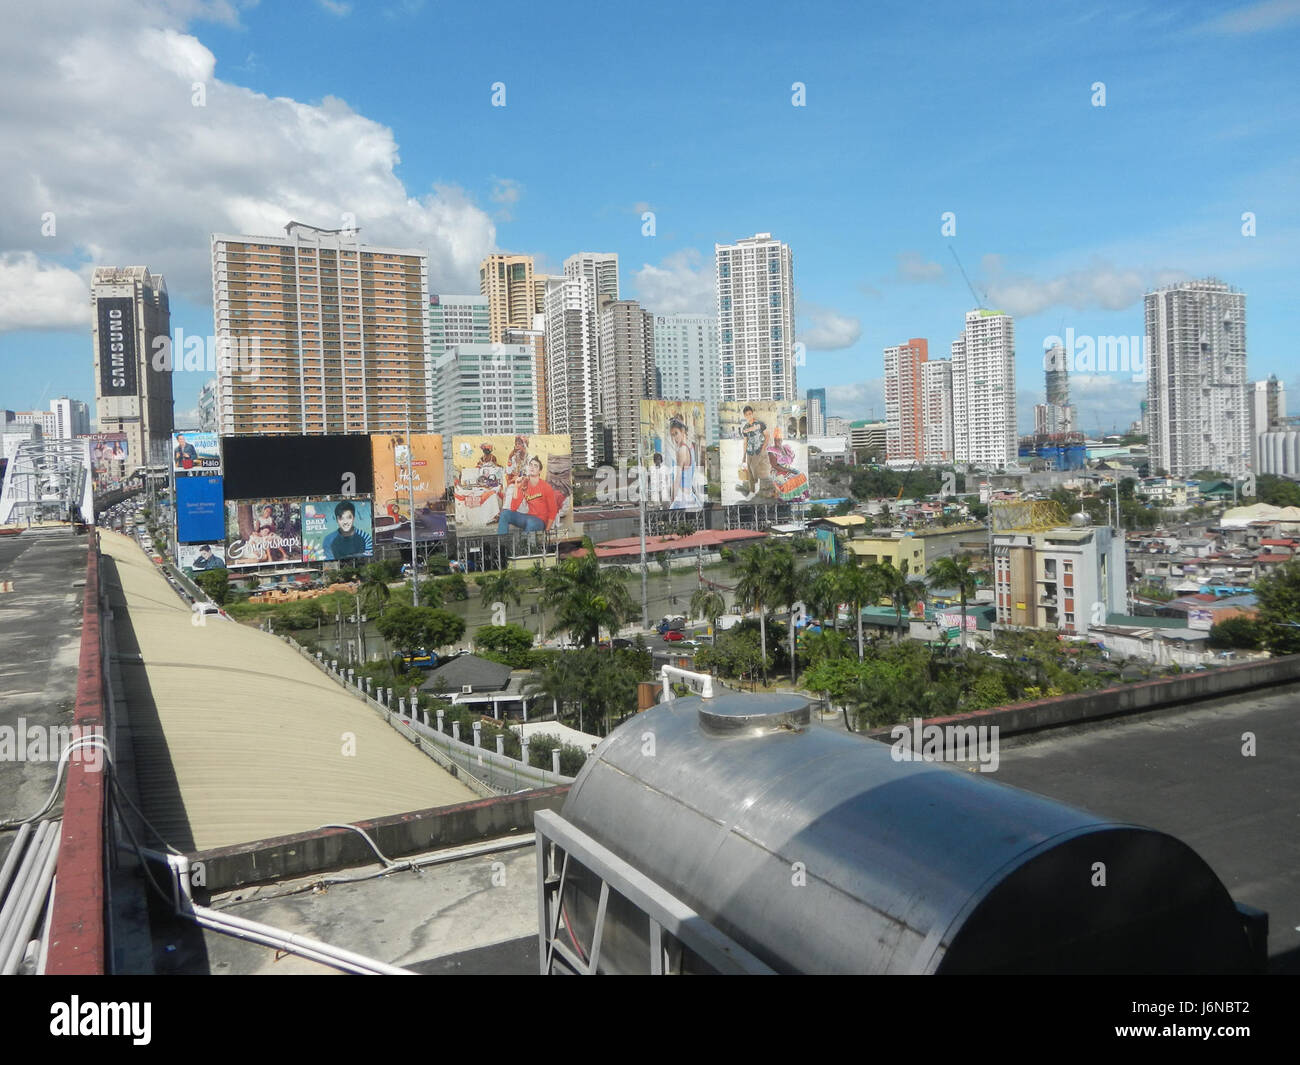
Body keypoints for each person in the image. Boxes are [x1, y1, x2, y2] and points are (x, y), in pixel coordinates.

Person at [497, 456, 558, 534]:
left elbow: (553, 511)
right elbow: (513, 507)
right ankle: (502, 544)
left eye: (535, 466)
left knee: (531, 523)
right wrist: (516, 486)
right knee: (505, 514)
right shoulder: (524, 484)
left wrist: (547, 530)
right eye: (531, 465)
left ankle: (523, 545)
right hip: (528, 517)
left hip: (540, 521)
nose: (532, 467)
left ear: (540, 471)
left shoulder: (546, 487)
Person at [736, 405, 770, 500]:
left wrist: (763, 448)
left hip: (758, 451)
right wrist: (743, 455)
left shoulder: (760, 424)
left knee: (752, 467)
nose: (749, 416)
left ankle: (756, 484)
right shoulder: (745, 428)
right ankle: (752, 491)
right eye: (746, 415)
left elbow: (767, 436)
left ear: (752, 413)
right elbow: (745, 442)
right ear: (744, 416)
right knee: (749, 471)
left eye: (750, 414)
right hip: (749, 452)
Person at [668, 417, 702, 510]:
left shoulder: (682, 450)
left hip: (682, 499)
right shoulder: (690, 447)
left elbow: (677, 479)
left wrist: (672, 501)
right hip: (689, 496)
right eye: (672, 435)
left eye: (676, 433)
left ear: (682, 431)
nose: (675, 438)